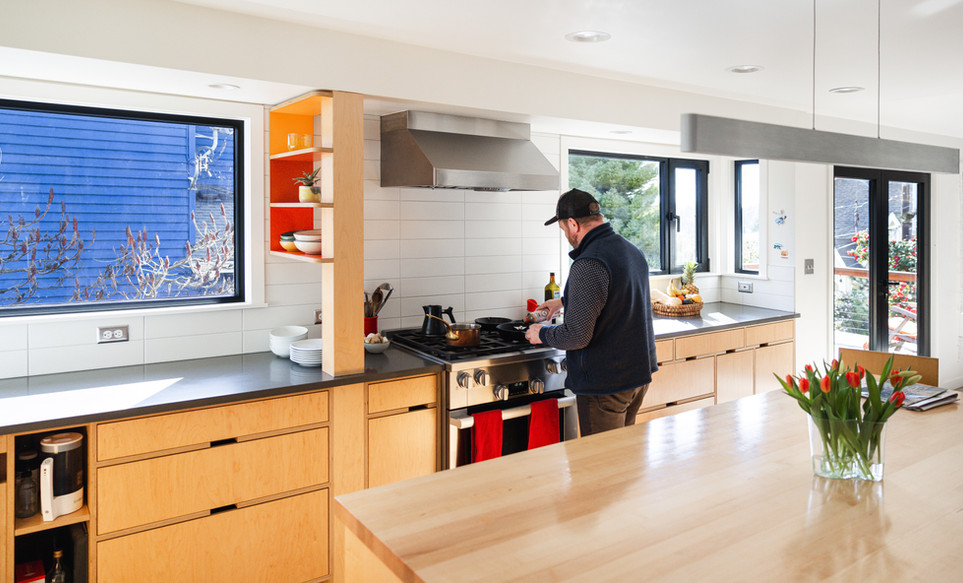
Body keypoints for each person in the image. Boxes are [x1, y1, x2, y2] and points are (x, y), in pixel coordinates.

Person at [525, 188, 658, 436]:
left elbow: (576, 335)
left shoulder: (588, 263)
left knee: (599, 468)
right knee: (622, 460)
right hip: (637, 376)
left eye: (564, 229)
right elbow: (614, 292)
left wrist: (541, 333)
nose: (566, 235)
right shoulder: (630, 250)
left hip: (606, 386)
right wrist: (563, 301)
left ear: (573, 224)